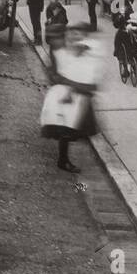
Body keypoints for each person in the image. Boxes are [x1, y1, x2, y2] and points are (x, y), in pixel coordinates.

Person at [40, 35, 98, 173]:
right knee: (66, 129)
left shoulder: (66, 55)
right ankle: (63, 161)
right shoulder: (60, 55)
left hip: (73, 96)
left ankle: (65, 159)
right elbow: (57, 75)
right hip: (66, 96)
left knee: (71, 128)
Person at [43, 0, 68, 65]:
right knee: (54, 50)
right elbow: (49, 20)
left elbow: (64, 20)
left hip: (57, 32)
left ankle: (56, 65)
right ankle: (55, 65)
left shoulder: (59, 7)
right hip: (54, 32)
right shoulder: (50, 7)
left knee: (56, 51)